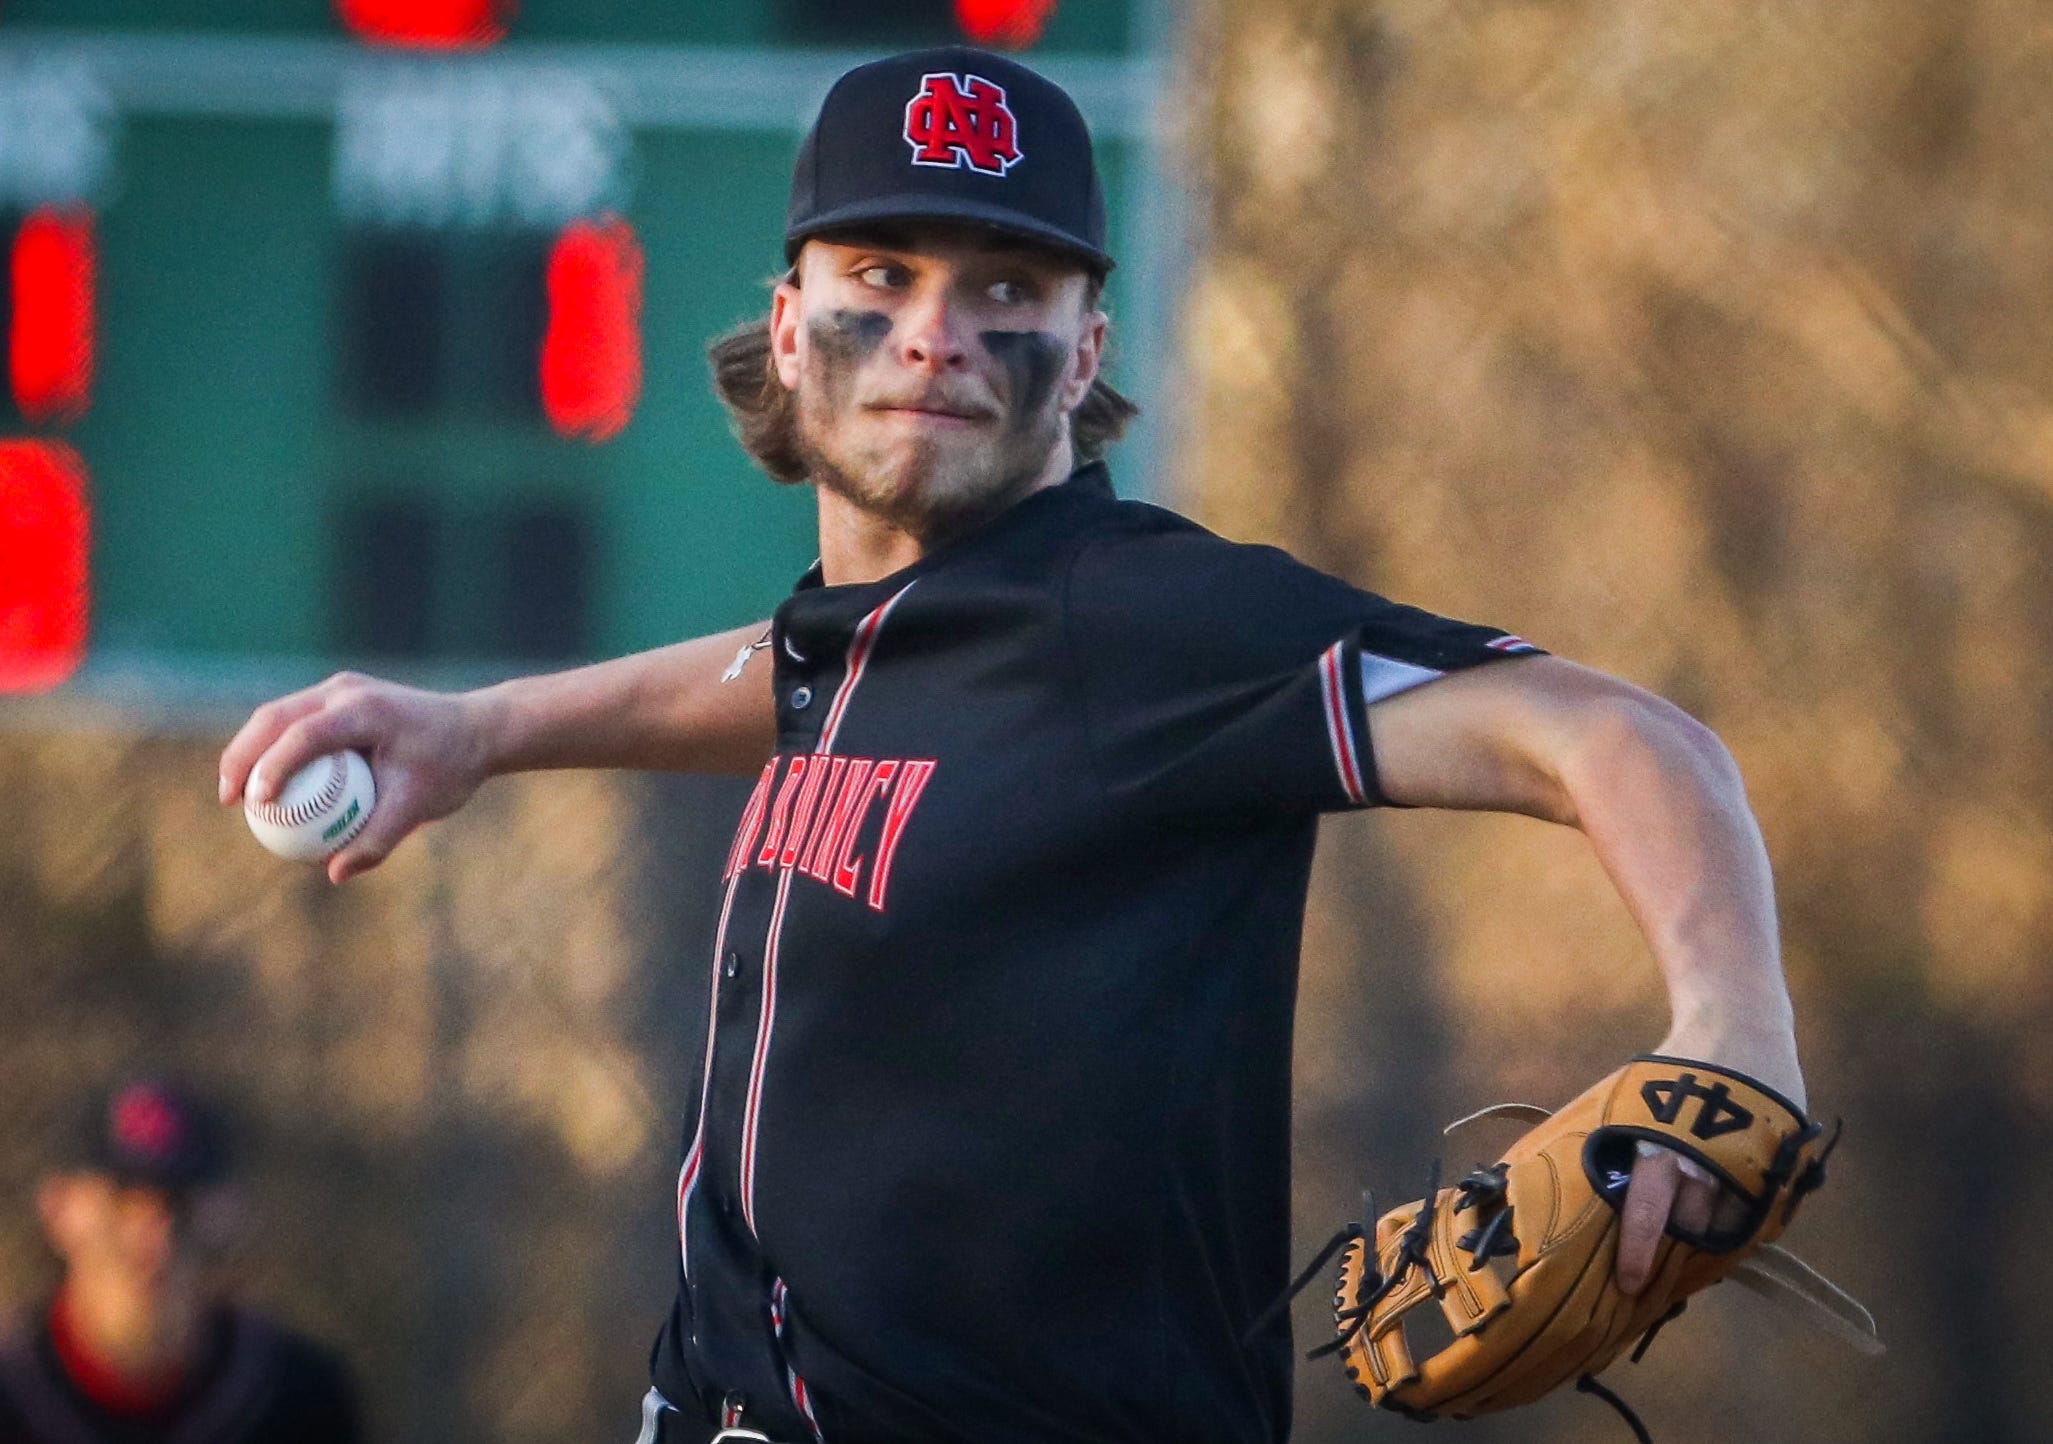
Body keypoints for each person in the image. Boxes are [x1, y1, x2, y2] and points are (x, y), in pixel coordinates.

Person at [219, 47, 1805, 1444]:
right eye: (883, 273)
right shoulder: (873, 643)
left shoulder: (1147, 627)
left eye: (1005, 288)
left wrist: (1728, 1025)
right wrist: (479, 731)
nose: (936, 332)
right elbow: (781, 686)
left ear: (1088, 349)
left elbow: (1609, 736)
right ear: (788, 328)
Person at [0, 1076, 362, 1444]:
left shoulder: (297, 1396)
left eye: (178, 1202)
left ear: (228, 1213)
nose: (152, 1238)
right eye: (120, 1198)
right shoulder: (14, 1387)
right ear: (58, 1208)